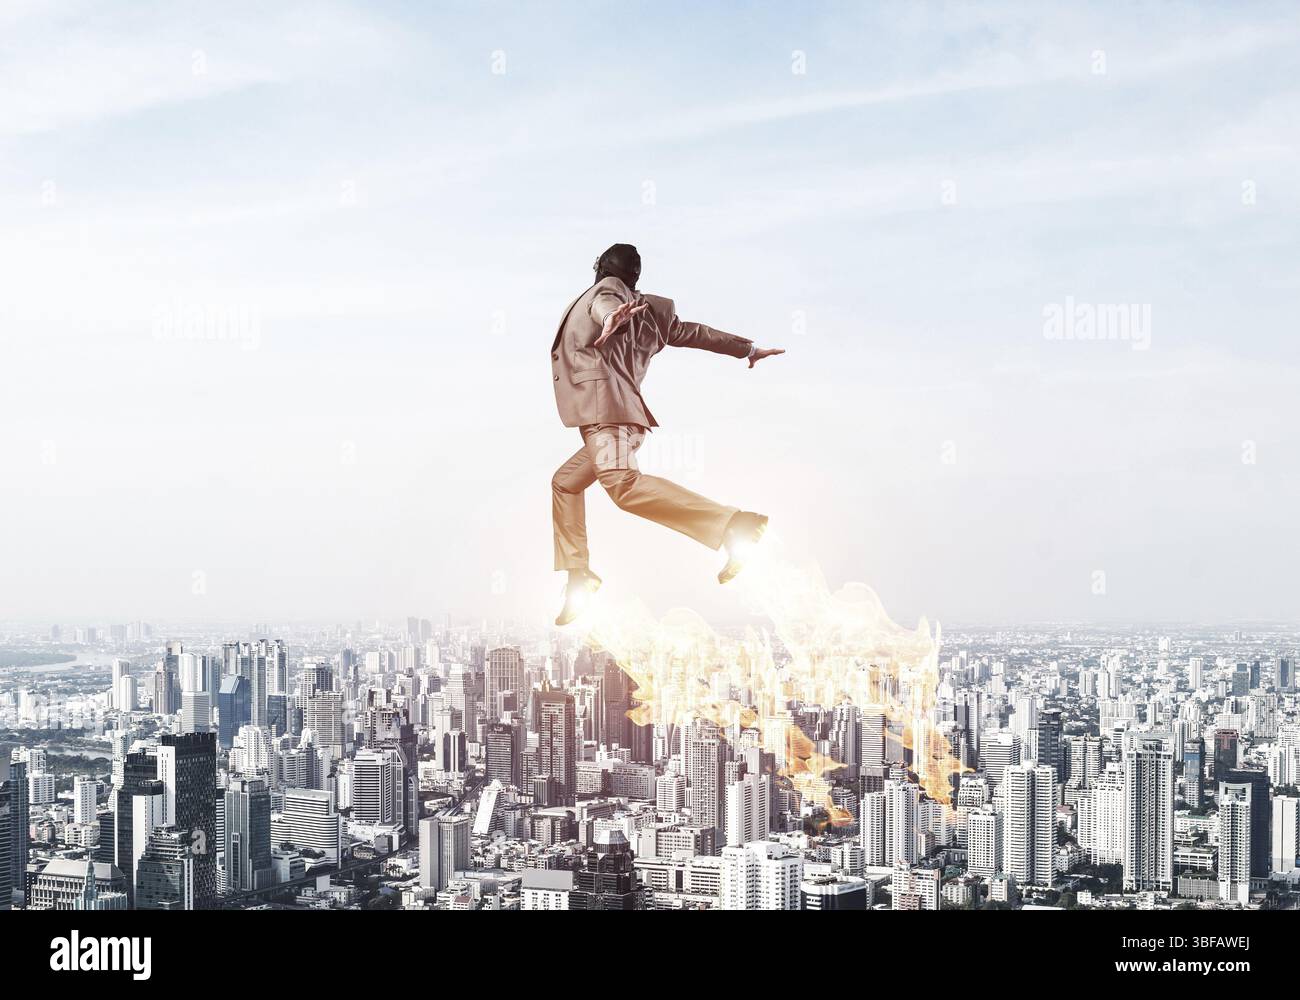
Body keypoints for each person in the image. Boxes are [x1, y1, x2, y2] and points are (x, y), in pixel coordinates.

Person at [549, 243, 785, 625]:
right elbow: (698, 334)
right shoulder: (654, 314)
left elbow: (605, 305)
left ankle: (733, 524)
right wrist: (748, 349)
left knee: (623, 486)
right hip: (625, 421)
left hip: (607, 418)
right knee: (565, 483)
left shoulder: (605, 292)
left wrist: (610, 319)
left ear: (601, 268)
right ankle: (579, 574)